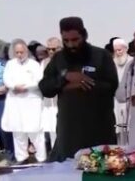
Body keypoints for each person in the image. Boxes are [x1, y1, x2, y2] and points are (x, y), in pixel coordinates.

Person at [39, 17, 119, 162]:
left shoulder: (101, 56)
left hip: (99, 129)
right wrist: (65, 78)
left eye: (75, 39)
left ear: (84, 35)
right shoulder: (58, 59)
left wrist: (85, 83)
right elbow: (45, 88)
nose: (71, 45)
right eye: (66, 41)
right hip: (69, 131)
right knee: (69, 176)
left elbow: (112, 86)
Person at [2, 39, 46, 163]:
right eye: (17, 53)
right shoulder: (10, 64)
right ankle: (21, 158)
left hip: (31, 101)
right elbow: (6, 79)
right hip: (15, 102)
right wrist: (14, 86)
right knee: (18, 131)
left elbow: (39, 80)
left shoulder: (34, 64)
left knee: (35, 131)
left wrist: (25, 87)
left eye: (22, 52)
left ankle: (41, 158)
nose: (19, 55)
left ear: (26, 51)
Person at [112, 38, 135, 139]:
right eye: (115, 50)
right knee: (119, 130)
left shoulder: (133, 62)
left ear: (126, 49)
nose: (118, 53)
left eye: (120, 50)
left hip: (130, 99)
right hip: (116, 101)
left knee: (131, 128)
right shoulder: (112, 63)